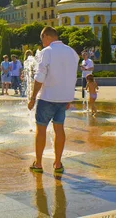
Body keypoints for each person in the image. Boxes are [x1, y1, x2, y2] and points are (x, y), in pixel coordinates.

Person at [28, 26, 79, 174]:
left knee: (41, 128)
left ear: (46, 36)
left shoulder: (47, 52)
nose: (42, 42)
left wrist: (32, 98)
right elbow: (72, 76)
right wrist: (69, 97)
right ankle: (57, 163)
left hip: (47, 97)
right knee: (59, 128)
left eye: (42, 38)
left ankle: (38, 164)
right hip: (63, 99)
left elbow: (39, 77)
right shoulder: (72, 52)